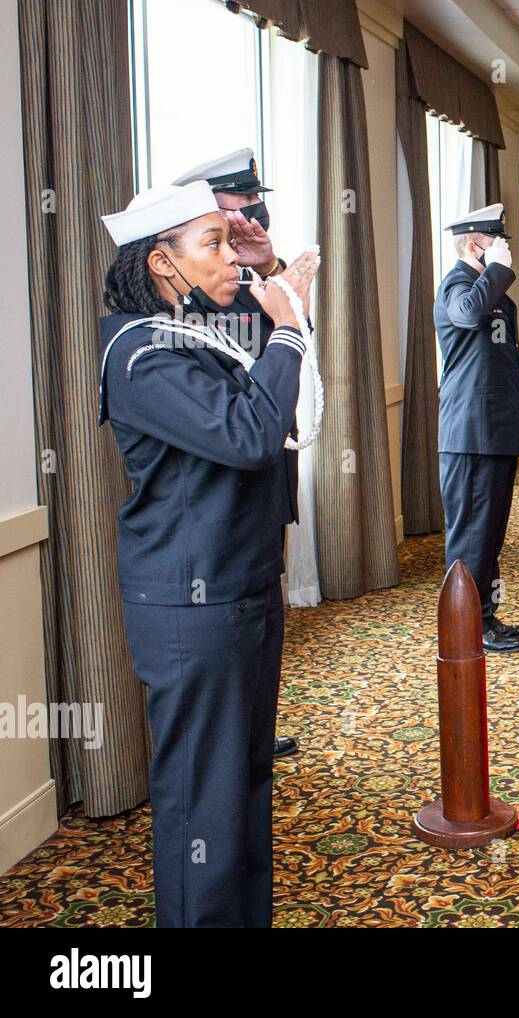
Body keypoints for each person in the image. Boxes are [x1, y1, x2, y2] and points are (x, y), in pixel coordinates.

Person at [98, 181, 319, 925]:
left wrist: (270, 271)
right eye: (213, 244)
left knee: (243, 785)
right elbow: (251, 433)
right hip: (194, 603)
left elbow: (257, 370)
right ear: (163, 263)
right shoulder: (139, 352)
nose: (231, 253)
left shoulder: (186, 333)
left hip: (240, 583)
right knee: (205, 805)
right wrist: (289, 328)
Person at [174, 147, 300, 759]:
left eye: (255, 208)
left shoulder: (243, 273)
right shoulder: (180, 294)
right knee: (227, 616)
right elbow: (244, 366)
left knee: (263, 604)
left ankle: (255, 723)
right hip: (217, 481)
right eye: (236, 210)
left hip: (264, 466)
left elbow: (285, 349)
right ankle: (236, 730)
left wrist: (268, 268)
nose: (250, 221)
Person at [434, 203, 519, 653]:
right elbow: (468, 315)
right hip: (469, 433)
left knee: (488, 534)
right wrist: (495, 272)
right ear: (475, 245)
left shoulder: (490, 291)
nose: (506, 250)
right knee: (472, 535)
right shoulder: (458, 284)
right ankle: (466, 626)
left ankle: (484, 617)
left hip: (492, 432)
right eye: (498, 241)